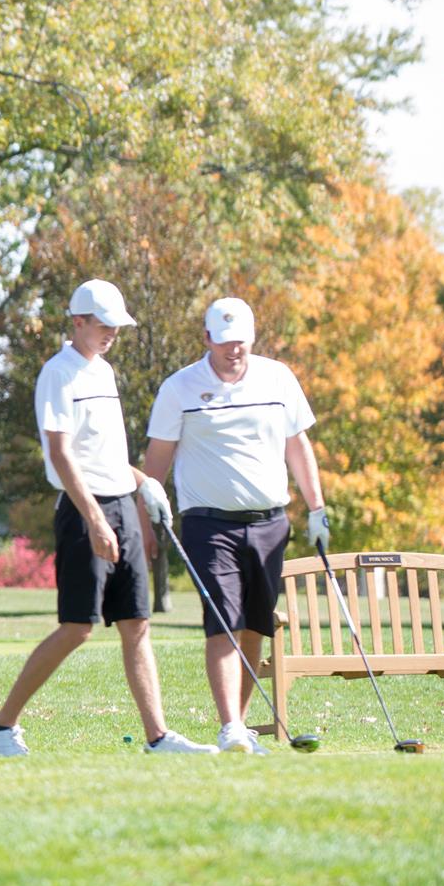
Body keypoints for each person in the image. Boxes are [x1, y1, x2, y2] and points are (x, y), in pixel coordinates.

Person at [0, 281, 214, 757]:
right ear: (78, 321)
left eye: (116, 326)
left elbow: (104, 455)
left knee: (137, 622)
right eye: (104, 325)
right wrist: (95, 521)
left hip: (121, 502)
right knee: (78, 626)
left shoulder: (103, 372)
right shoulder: (58, 374)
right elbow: (62, 457)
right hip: (84, 509)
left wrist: (144, 483)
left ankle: (158, 737)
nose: (111, 334)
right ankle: (0, 727)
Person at [142, 296, 329, 753]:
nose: (233, 351)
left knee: (254, 626)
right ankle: (229, 726)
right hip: (208, 523)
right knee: (224, 620)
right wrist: (148, 524)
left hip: (269, 522)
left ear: (252, 338)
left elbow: (298, 447)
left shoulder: (278, 378)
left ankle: (240, 726)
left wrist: (317, 508)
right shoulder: (180, 388)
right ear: (206, 339)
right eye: (224, 342)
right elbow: (157, 460)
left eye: (240, 342)